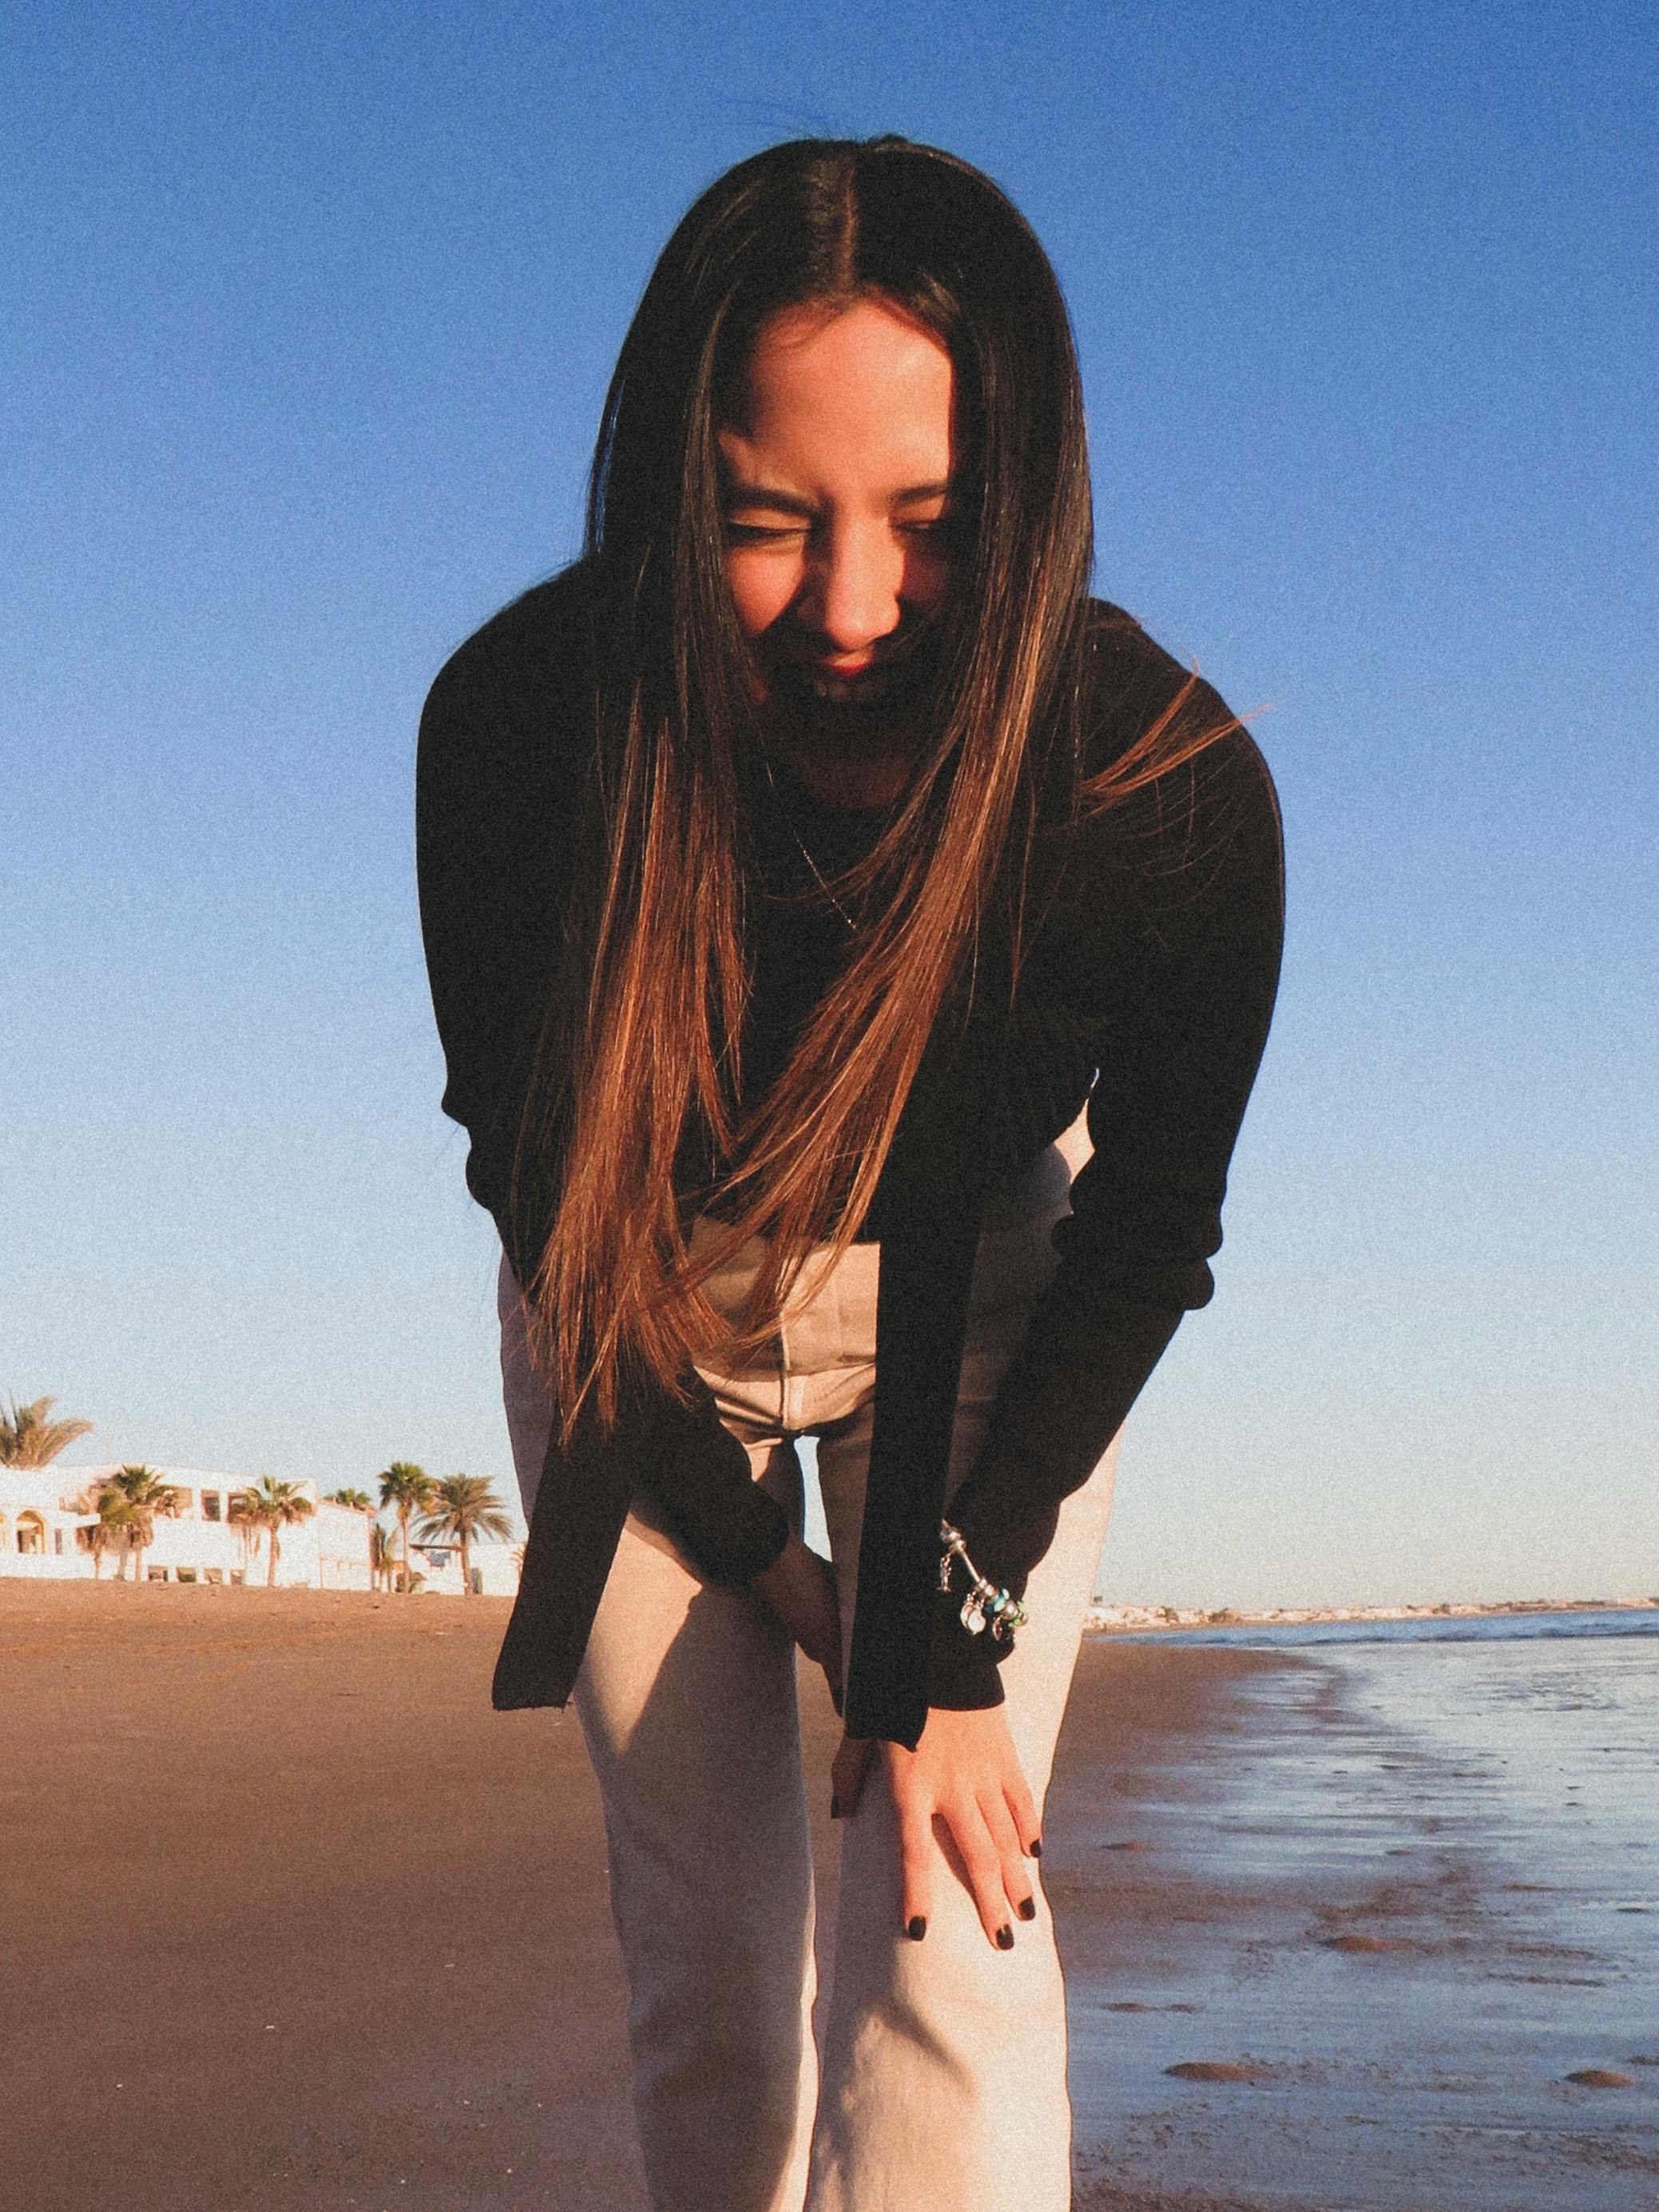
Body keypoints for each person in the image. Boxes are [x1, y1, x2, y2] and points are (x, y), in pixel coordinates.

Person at [417, 135, 1282, 2212]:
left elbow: (1148, 1240)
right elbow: (558, 1232)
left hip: (980, 1294)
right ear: (666, 493)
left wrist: (940, 1635)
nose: (854, 608)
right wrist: (812, 1599)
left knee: (944, 1935)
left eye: (932, 521)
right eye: (764, 522)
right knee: (710, 1980)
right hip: (649, 1307)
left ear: (1030, 499)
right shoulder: (524, 735)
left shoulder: (1159, 792)